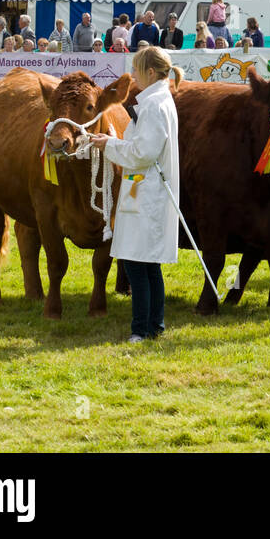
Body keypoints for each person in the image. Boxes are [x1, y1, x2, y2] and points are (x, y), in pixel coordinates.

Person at [89, 46, 183, 342]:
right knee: (147, 263)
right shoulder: (156, 101)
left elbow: (144, 153)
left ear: (151, 72)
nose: (133, 76)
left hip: (146, 191)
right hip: (143, 189)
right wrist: (114, 141)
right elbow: (142, 145)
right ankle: (155, 325)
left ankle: (140, 329)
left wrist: (109, 146)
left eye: (137, 70)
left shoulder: (154, 105)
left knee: (136, 262)